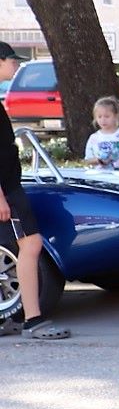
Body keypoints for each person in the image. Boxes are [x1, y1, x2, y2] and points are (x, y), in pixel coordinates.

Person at [0, 40, 68, 338]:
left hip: (10, 185)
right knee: (30, 244)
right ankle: (33, 318)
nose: (16, 66)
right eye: (12, 60)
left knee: (30, 245)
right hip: (6, 189)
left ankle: (31, 317)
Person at [83, 96, 119, 169]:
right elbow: (88, 159)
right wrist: (99, 161)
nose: (103, 120)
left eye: (107, 116)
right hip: (101, 175)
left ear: (116, 116)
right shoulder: (94, 138)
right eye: (99, 117)